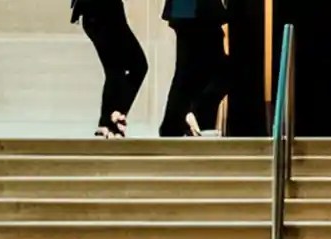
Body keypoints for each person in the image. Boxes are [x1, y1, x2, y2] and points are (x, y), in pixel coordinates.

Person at [72, 0, 148, 138]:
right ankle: (112, 118)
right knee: (128, 67)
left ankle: (110, 120)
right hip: (104, 14)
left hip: (101, 14)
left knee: (119, 69)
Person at [159, 0, 230, 137]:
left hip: (187, 9)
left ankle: (174, 124)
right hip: (199, 11)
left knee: (186, 73)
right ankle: (188, 117)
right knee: (221, 70)